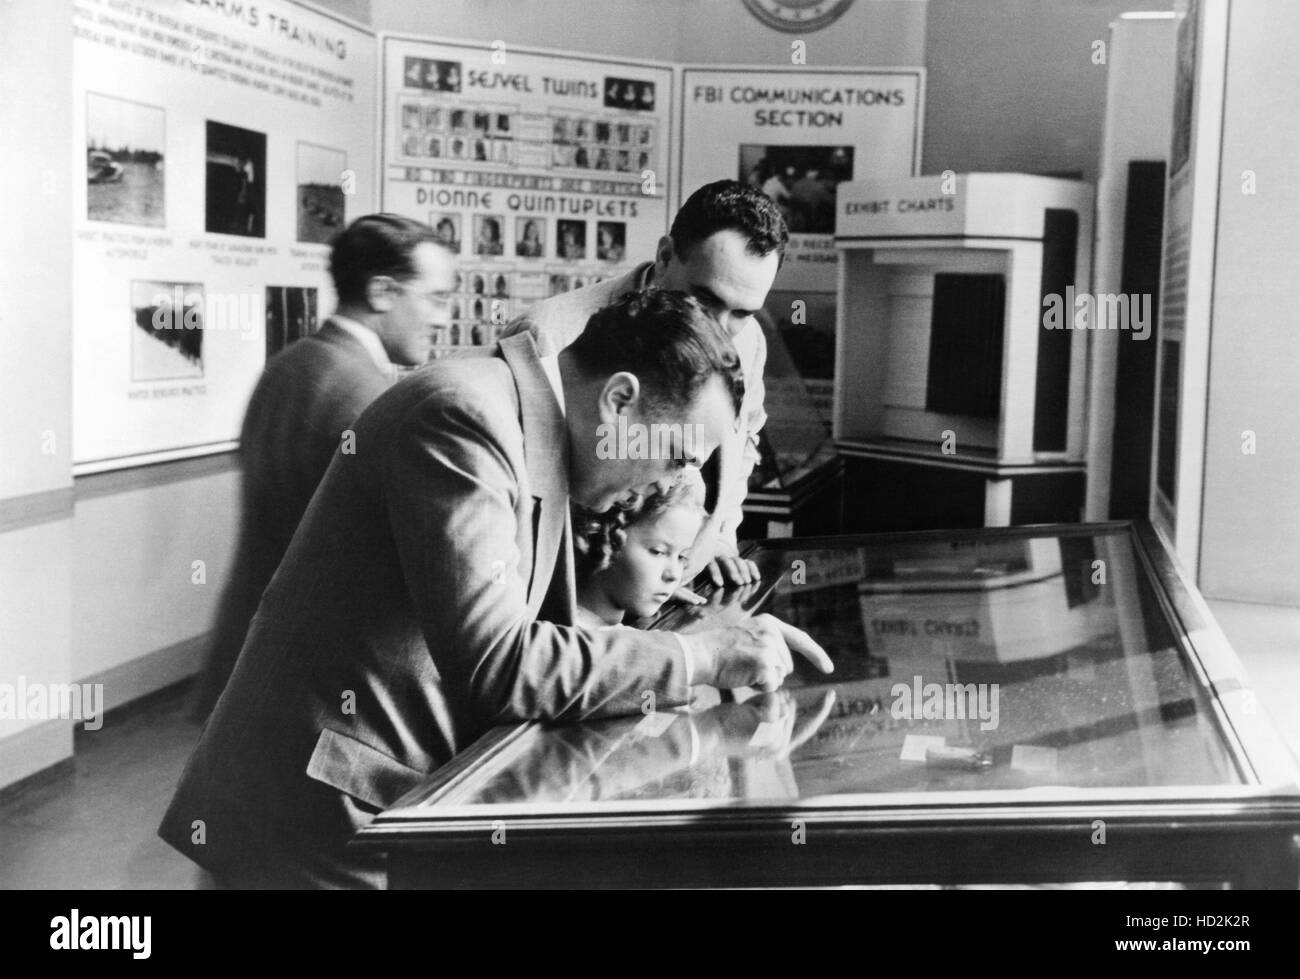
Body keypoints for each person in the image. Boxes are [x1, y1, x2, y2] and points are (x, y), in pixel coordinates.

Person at [159, 290, 832, 888]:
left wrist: (700, 632)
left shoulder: (529, 428)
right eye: (677, 456)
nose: (667, 483)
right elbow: (501, 663)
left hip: (365, 801)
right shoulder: (464, 417)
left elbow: (540, 622)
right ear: (620, 399)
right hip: (312, 812)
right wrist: (702, 655)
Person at [188, 213, 454, 720]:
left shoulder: (288, 365)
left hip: (249, 660)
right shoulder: (371, 398)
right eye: (436, 298)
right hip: (320, 686)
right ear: (381, 292)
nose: (443, 319)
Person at [502, 179, 788, 593]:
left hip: (676, 591)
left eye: (742, 312)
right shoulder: (548, 335)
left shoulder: (750, 339)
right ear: (665, 256)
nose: (720, 330)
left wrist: (718, 536)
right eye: (706, 300)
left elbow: (745, 437)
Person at [574, 468, 707, 630]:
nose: (674, 575)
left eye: (681, 557)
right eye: (657, 552)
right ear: (603, 537)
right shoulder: (574, 636)